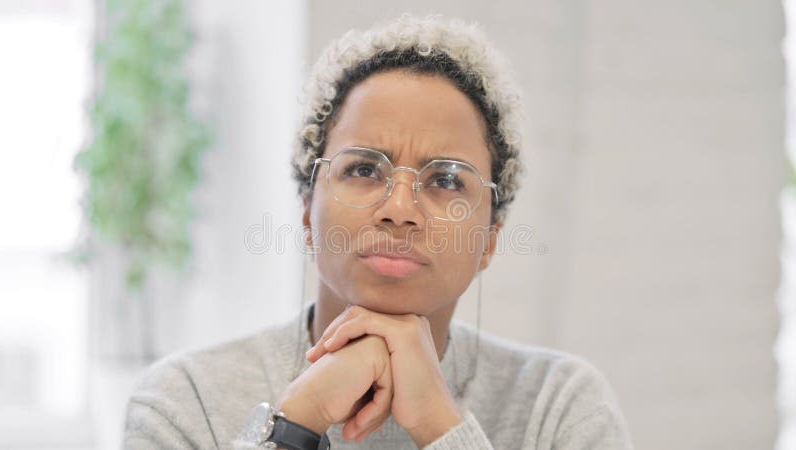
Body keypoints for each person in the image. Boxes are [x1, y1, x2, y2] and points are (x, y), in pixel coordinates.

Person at [124, 14, 633, 450]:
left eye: (446, 180)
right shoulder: (185, 402)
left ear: (489, 240)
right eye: (364, 169)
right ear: (307, 212)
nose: (400, 210)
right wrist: (297, 422)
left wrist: (440, 425)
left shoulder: (558, 407)